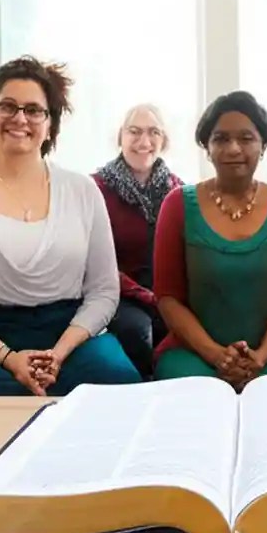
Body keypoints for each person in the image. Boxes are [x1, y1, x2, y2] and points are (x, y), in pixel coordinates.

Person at [0, 56, 140, 396]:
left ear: (50, 124)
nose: (19, 118)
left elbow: (103, 291)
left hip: (68, 336)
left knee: (117, 380)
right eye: (7, 106)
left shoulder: (82, 190)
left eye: (34, 110)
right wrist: (10, 359)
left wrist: (58, 354)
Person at [153, 91, 267, 387]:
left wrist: (261, 357)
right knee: (194, 398)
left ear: (263, 145)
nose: (233, 148)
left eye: (246, 138)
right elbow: (168, 297)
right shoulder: (177, 204)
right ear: (207, 147)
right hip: (194, 354)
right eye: (220, 139)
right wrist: (217, 356)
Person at [93, 104, 184, 380]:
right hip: (117, 291)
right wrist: (147, 297)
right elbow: (98, 261)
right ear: (121, 136)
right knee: (138, 329)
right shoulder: (96, 188)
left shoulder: (178, 189)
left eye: (153, 132)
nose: (144, 142)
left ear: (163, 140)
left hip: (164, 291)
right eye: (134, 132)